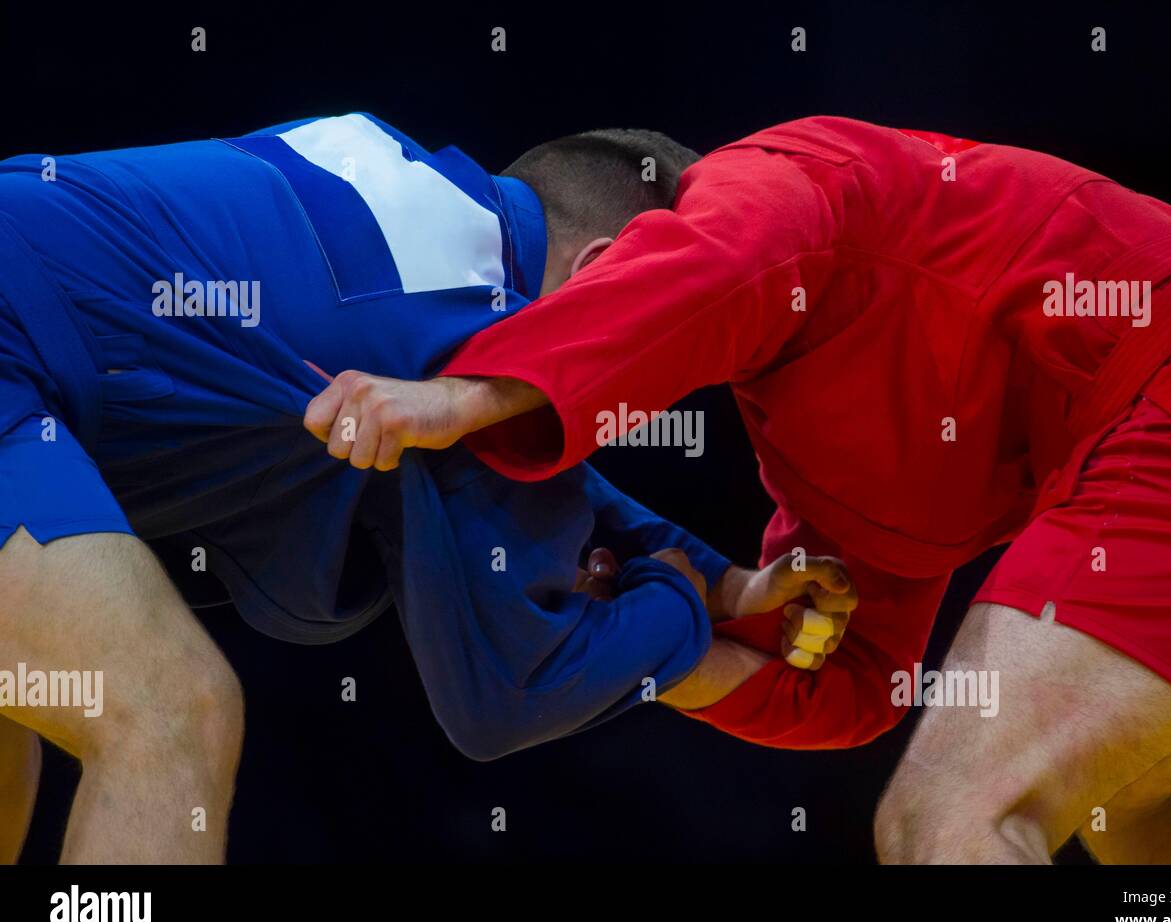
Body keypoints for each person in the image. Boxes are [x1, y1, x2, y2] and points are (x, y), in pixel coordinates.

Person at [308, 116, 1171, 862]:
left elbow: (720, 265)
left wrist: (463, 394)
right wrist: (667, 640)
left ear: (615, 261)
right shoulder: (815, 416)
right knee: (1118, 796)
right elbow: (851, 669)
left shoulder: (778, 179)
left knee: (948, 820)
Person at [0, 113, 852, 862]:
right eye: (658, 356)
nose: (628, 411)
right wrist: (680, 592)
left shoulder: (409, 207)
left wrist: (730, 581)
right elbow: (510, 691)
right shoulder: (468, 327)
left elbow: (528, 452)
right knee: (168, 716)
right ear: (608, 272)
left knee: (23, 702)